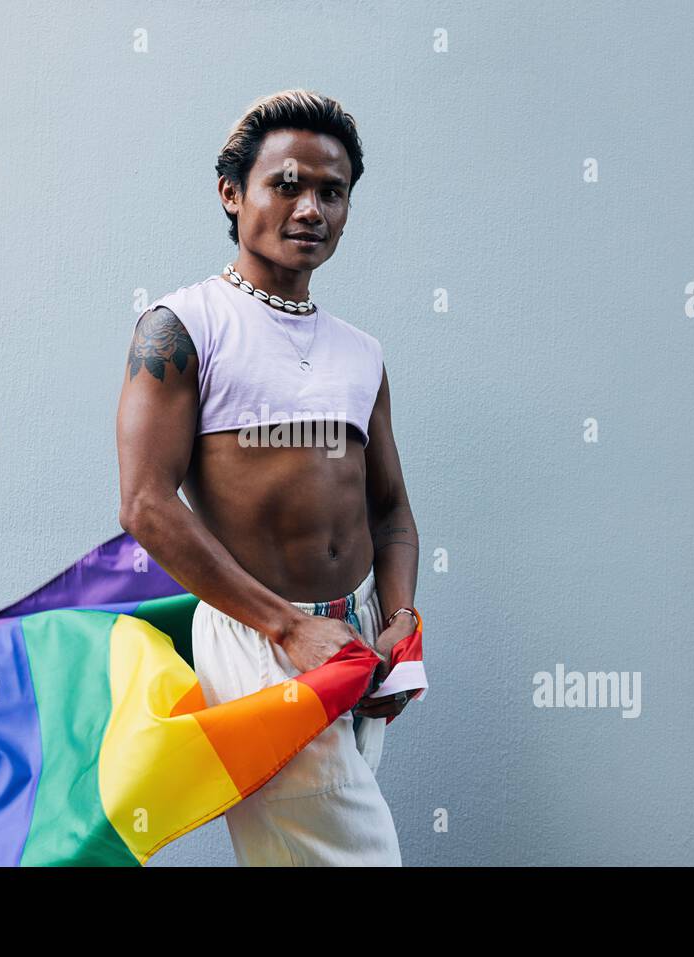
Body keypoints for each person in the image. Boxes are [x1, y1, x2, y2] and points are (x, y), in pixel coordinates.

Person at [115, 89, 420, 866]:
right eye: (286, 184)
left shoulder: (362, 351)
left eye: (331, 191)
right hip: (264, 639)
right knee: (361, 857)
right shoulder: (182, 326)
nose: (310, 207)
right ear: (232, 192)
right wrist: (287, 627)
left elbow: (389, 511)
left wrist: (400, 617)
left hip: (355, 639)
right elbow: (146, 504)